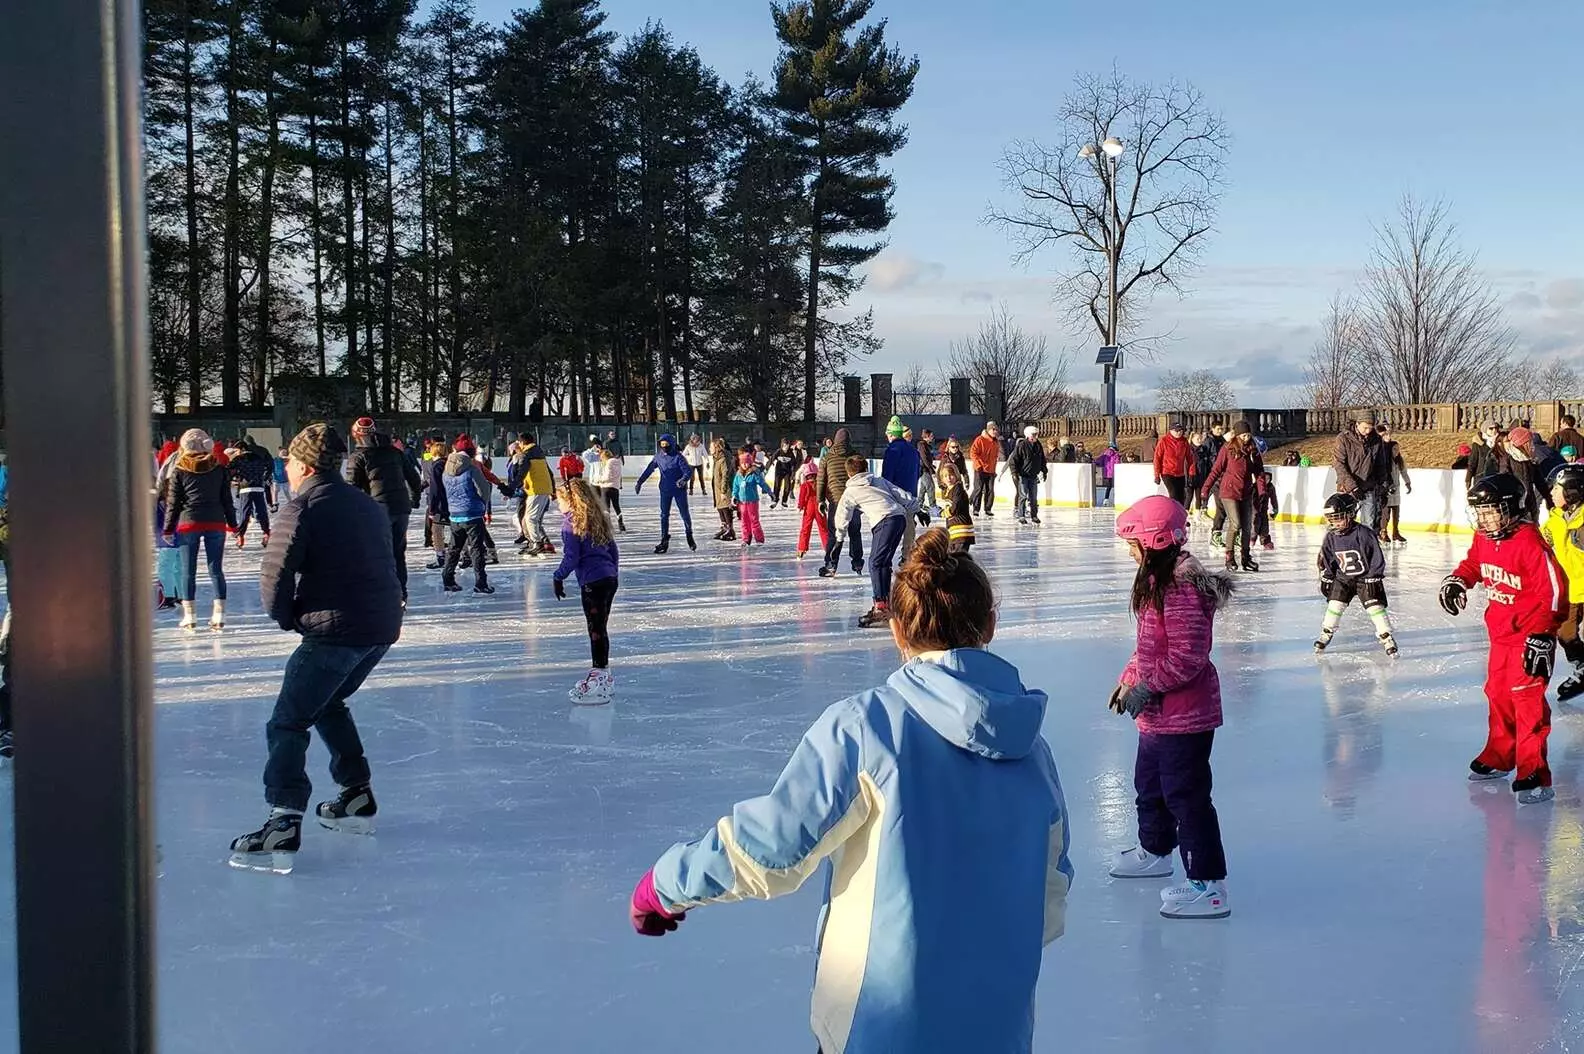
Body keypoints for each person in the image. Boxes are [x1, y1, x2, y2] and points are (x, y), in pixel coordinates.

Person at [629, 529, 1072, 1054]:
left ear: (896, 630)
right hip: (997, 1030)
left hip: (882, 1029)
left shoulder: (865, 729)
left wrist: (666, 884)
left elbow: (773, 845)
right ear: (991, 626)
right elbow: (1051, 890)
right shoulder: (1031, 749)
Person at [228, 423, 403, 874]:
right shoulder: (365, 503)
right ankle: (356, 792)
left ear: (304, 466)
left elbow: (275, 576)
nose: (284, 467)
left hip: (337, 630)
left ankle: (283, 819)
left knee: (288, 721)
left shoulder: (302, 506)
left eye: (288, 461)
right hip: (379, 627)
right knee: (329, 703)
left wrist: (287, 616)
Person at [1106, 495, 1234, 920]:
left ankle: (1208, 884)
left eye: (1133, 545)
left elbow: (1187, 656)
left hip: (1186, 716)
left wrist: (1147, 687)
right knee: (1150, 786)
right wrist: (1129, 681)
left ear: (1155, 542)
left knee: (1187, 797)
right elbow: (1146, 650)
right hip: (1157, 719)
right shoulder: (1156, 583)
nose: (1129, 553)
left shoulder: (1179, 589)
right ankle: (1156, 850)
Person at [1440, 474, 1568, 804]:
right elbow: (1474, 563)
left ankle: (1534, 772)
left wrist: (1542, 633)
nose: (1482, 519)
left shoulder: (1529, 541)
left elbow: (1555, 592)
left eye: (1489, 511)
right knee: (1497, 694)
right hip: (1500, 634)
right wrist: (1459, 579)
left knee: (1527, 703)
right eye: (1478, 512)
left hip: (1530, 639)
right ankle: (1500, 755)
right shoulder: (1484, 538)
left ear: (1510, 508)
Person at [826, 456, 928, 627]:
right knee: (883, 562)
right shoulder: (878, 480)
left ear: (848, 473)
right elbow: (900, 493)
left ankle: (881, 607)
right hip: (899, 517)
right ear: (866, 468)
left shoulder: (850, 491)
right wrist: (918, 510)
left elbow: (842, 515)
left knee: (875, 562)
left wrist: (839, 539)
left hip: (885, 521)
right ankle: (885, 603)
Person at [551, 478, 621, 705]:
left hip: (593, 582)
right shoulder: (597, 517)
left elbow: (572, 557)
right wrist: (613, 573)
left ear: (570, 500)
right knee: (601, 627)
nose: (556, 504)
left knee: (596, 629)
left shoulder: (571, 523)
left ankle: (599, 676)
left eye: (559, 499)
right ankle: (604, 675)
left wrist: (558, 577)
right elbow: (613, 550)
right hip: (609, 580)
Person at [162, 428, 236, 632]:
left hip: (189, 523)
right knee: (216, 570)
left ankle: (190, 617)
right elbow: (226, 500)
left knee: (188, 572)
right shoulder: (219, 469)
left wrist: (168, 528)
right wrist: (234, 524)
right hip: (216, 522)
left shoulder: (180, 470)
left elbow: (173, 502)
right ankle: (219, 615)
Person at [346, 418, 422, 603]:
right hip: (400, 508)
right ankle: (400, 594)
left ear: (356, 435)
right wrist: (414, 499)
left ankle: (379, 595)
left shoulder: (358, 457)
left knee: (375, 552)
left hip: (377, 510)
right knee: (397, 552)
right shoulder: (394, 452)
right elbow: (413, 477)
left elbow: (351, 489)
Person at [1314, 493, 1398, 657]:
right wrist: (1327, 576)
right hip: (1343, 578)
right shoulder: (1331, 537)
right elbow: (1328, 557)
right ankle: (1326, 632)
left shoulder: (1364, 533)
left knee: (1375, 607)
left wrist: (1374, 576)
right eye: (1331, 518)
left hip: (1365, 578)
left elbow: (1376, 556)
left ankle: (1386, 636)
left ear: (1351, 514)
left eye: (1338, 518)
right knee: (1334, 605)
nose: (1334, 522)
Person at [1541, 464, 1584, 701]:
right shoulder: (1556, 518)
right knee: (1565, 633)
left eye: (1558, 488)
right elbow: (1539, 541)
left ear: (1573, 492)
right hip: (1571, 590)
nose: (1552, 493)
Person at [1200, 420, 1265, 573]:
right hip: (1229, 492)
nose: (1246, 438)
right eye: (1243, 435)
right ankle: (1229, 556)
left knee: (1247, 527)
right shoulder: (1228, 448)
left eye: (1248, 435)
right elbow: (1216, 470)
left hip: (1246, 492)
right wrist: (1205, 488)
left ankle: (1245, 557)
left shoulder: (1253, 450)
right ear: (1237, 435)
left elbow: (1260, 472)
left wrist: (1262, 491)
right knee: (1236, 524)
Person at [441, 436, 495, 595]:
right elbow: (484, 489)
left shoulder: (446, 470)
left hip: (455, 514)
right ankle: (481, 583)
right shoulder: (472, 469)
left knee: (454, 548)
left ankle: (448, 579)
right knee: (477, 549)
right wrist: (482, 505)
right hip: (472, 514)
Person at [634, 433, 696, 554]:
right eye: (662, 444)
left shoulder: (678, 457)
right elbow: (649, 469)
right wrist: (640, 482)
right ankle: (664, 538)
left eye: (666, 444)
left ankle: (689, 534)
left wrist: (683, 480)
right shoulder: (658, 457)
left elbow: (688, 471)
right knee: (664, 515)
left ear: (671, 444)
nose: (664, 447)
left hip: (679, 490)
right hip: (665, 489)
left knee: (684, 513)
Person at [816, 427, 866, 576]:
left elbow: (820, 480)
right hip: (854, 500)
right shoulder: (856, 456)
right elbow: (864, 478)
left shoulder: (827, 457)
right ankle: (857, 563)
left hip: (836, 501)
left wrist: (820, 500)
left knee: (834, 534)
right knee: (855, 533)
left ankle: (831, 565)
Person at [1333, 410, 1391, 532]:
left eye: (1370, 428)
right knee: (1345, 523)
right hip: (1347, 488)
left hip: (1368, 486)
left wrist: (1384, 487)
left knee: (1369, 523)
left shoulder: (1376, 440)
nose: (1368, 431)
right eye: (1365, 428)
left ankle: (1366, 548)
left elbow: (1381, 465)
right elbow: (1339, 464)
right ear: (1357, 424)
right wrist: (1352, 487)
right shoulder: (1343, 438)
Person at [881, 416, 923, 550]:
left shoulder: (892, 450)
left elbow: (887, 476)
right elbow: (918, 473)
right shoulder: (914, 451)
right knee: (909, 525)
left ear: (891, 434)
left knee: (891, 527)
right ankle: (907, 554)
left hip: (895, 495)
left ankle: (886, 555)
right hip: (911, 494)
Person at [1505, 426, 1565, 517]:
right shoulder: (1508, 460)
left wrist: (1550, 503)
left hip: (1530, 508)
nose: (1533, 446)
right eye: (1530, 442)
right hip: (1513, 510)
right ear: (1524, 444)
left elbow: (1542, 485)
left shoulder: (1530, 461)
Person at [516, 433, 557, 558]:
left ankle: (537, 543)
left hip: (537, 489)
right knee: (528, 519)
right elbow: (549, 472)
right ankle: (534, 543)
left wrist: (511, 487)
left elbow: (521, 473)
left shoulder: (527, 454)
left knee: (531, 519)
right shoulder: (538, 452)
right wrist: (553, 489)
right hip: (540, 489)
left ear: (522, 443)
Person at [230, 437, 275, 549]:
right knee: (261, 511)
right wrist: (265, 477)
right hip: (259, 487)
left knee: (245, 512)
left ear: (241, 448)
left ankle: (240, 535)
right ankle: (266, 532)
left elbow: (228, 469)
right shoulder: (259, 457)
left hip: (245, 488)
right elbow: (269, 465)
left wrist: (234, 478)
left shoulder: (239, 459)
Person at [1375, 423, 1412, 549]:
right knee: (1386, 512)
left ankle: (1395, 532)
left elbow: (1403, 471)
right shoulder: (1385, 459)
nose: (1397, 452)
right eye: (1394, 449)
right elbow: (1385, 443)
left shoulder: (1399, 460)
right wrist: (1388, 434)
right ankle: (1383, 532)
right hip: (1387, 487)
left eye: (1398, 449)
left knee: (1396, 511)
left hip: (1396, 488)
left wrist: (1408, 483)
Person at [1005, 425, 1047, 525]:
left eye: (1036, 434)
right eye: (1034, 434)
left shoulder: (1038, 445)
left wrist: (1044, 471)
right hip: (1023, 476)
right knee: (1023, 496)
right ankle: (1021, 516)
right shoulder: (1022, 445)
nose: (1036, 436)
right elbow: (1013, 461)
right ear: (1028, 435)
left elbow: (1042, 460)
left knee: (1033, 497)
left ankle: (1034, 516)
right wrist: (1014, 473)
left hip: (1033, 476)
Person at [731, 451, 771, 548]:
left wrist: (770, 492)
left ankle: (759, 539)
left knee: (754, 520)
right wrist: (734, 496)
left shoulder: (754, 473)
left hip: (753, 501)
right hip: (742, 502)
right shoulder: (738, 474)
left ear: (750, 463)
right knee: (744, 521)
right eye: (743, 463)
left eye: (747, 462)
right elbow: (735, 487)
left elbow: (762, 483)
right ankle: (746, 539)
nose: (745, 465)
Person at [421, 437, 450, 569]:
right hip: (452, 502)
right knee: (457, 529)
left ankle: (440, 557)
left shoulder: (437, 466)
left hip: (441, 504)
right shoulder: (449, 464)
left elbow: (435, 489)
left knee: (437, 529)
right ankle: (465, 555)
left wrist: (432, 509)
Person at [1154, 421, 1195, 508]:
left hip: (1180, 474)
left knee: (1181, 497)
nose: (1179, 432)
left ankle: (1180, 516)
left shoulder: (1184, 442)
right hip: (1167, 473)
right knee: (1174, 495)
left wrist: (1191, 473)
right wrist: (1157, 475)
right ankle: (1173, 514)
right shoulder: (1164, 441)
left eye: (1180, 430)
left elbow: (1190, 458)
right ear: (1171, 431)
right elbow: (1157, 458)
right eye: (1176, 431)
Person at [794, 459, 829, 559]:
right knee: (823, 529)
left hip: (809, 509)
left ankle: (801, 549)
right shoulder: (820, 484)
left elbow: (801, 498)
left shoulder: (805, 485)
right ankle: (828, 548)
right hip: (820, 507)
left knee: (805, 529)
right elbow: (826, 494)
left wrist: (800, 506)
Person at [939, 461, 974, 557]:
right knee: (951, 559)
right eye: (945, 476)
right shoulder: (947, 491)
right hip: (953, 532)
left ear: (957, 475)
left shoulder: (958, 489)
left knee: (958, 560)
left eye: (951, 475)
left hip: (962, 531)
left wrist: (941, 513)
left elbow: (954, 509)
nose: (949, 478)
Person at [589, 446, 626, 532]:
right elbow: (618, 476)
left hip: (606, 488)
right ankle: (621, 524)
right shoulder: (618, 462)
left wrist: (599, 480)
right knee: (617, 506)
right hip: (615, 487)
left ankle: (608, 526)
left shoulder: (609, 463)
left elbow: (607, 477)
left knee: (606, 508)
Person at [968, 421, 1001, 517]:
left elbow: (994, 457)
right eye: (993, 429)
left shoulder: (996, 442)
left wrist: (994, 470)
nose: (995, 431)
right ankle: (976, 509)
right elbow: (973, 453)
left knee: (990, 490)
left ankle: (988, 508)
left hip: (990, 470)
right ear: (988, 430)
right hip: (980, 469)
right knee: (979, 489)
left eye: (996, 430)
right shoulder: (980, 439)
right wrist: (978, 465)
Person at [708, 437, 736, 541]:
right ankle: (724, 528)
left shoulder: (723, 459)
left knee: (725, 508)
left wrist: (724, 491)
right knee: (720, 508)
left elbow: (725, 475)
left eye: (711, 447)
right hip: (717, 488)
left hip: (723, 489)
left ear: (717, 447)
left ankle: (730, 530)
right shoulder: (716, 458)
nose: (709, 449)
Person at [1466, 422, 1508, 489]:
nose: (1494, 430)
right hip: (1481, 477)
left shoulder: (1500, 441)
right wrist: (1468, 478)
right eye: (1491, 428)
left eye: (1496, 428)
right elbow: (1472, 461)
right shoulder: (1478, 443)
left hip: (1496, 477)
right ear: (1485, 429)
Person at [1252, 470, 1279, 551]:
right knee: (1254, 524)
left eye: (1268, 478)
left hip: (1263, 510)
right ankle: (1251, 539)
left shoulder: (1270, 487)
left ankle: (1265, 541)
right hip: (1254, 509)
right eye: (1264, 478)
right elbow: (1250, 499)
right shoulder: (1255, 487)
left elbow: (1274, 498)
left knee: (1265, 526)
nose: (1266, 480)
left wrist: (1275, 508)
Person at [769, 438, 798, 509]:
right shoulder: (779, 451)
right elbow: (772, 458)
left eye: (787, 445)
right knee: (777, 485)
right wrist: (768, 467)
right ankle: (775, 499)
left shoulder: (791, 452)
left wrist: (793, 472)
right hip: (779, 471)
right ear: (782, 445)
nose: (786, 446)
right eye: (785, 445)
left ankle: (784, 501)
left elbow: (794, 463)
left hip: (787, 471)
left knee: (787, 487)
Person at [915, 427, 938, 512]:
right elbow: (924, 458)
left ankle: (919, 503)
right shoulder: (922, 445)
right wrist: (931, 469)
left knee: (923, 487)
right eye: (931, 436)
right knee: (930, 486)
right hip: (924, 469)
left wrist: (931, 466)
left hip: (926, 468)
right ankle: (933, 505)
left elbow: (927, 458)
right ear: (927, 436)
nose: (933, 437)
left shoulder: (926, 445)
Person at [1094, 444, 1121, 508]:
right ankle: (1117, 498)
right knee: (1117, 486)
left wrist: (1094, 462)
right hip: (1115, 472)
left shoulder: (1104, 455)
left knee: (1109, 486)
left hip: (1107, 473)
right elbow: (1117, 463)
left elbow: (1098, 462)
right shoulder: (1116, 455)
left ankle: (1106, 499)